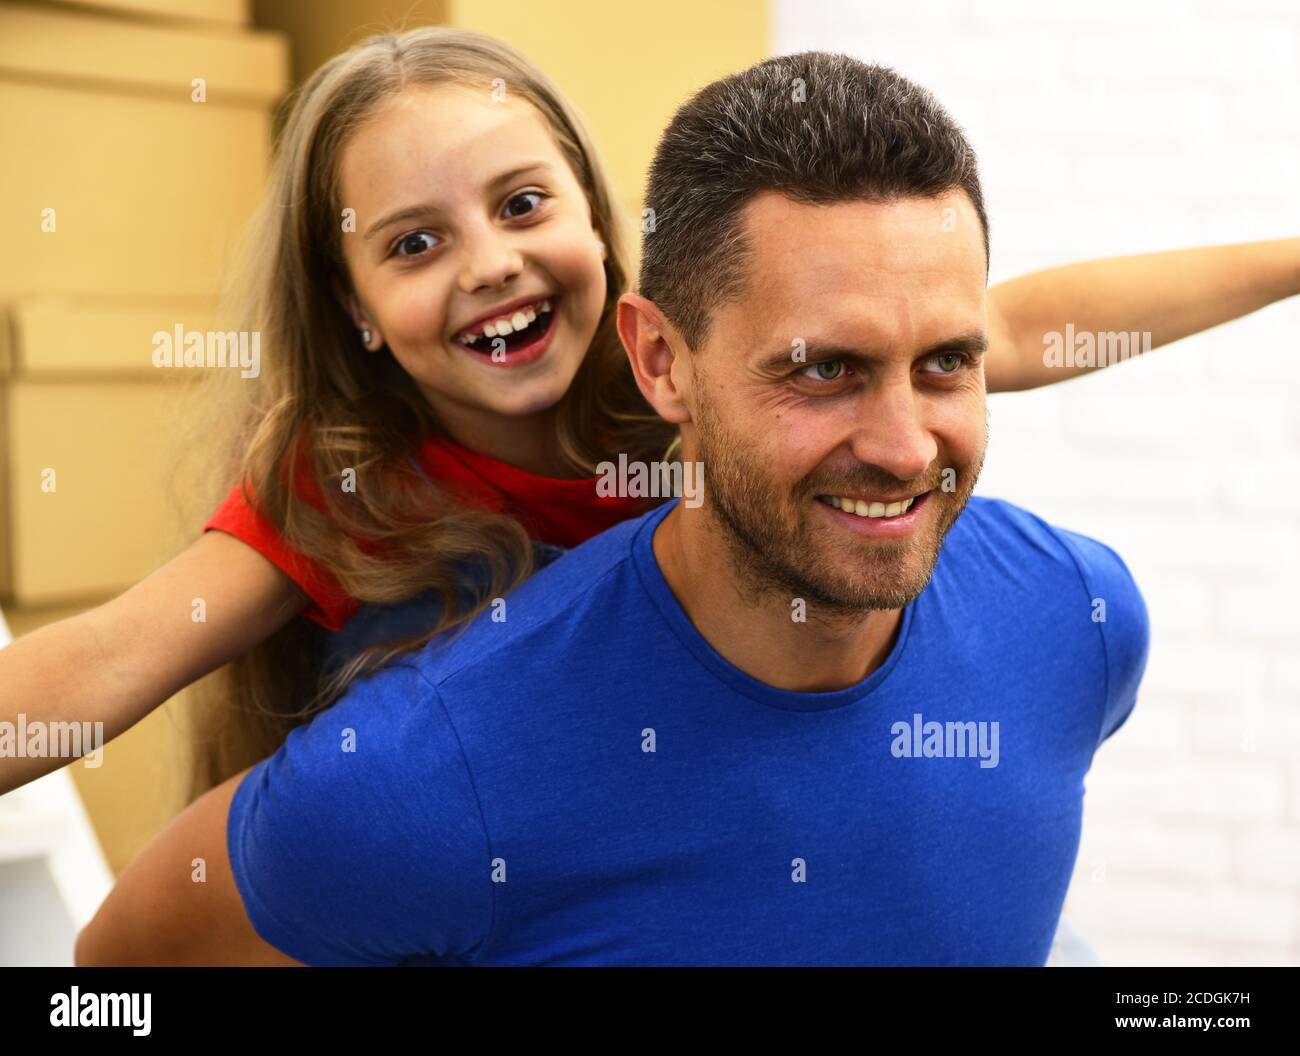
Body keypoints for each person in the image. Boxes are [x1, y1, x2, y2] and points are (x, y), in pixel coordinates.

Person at [1, 26, 1293, 807]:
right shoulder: (345, 483)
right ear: (353, 308)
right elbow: (107, 660)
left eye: (520, 206)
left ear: (597, 219)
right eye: (414, 243)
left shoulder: (693, 393)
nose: (489, 264)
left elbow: (1024, 323)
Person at [75, 51, 1169, 967]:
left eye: (944, 363)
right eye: (822, 371)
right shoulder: (410, 754)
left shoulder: (1081, 617)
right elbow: (120, 946)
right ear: (665, 363)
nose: (899, 447)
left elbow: (1030, 325)